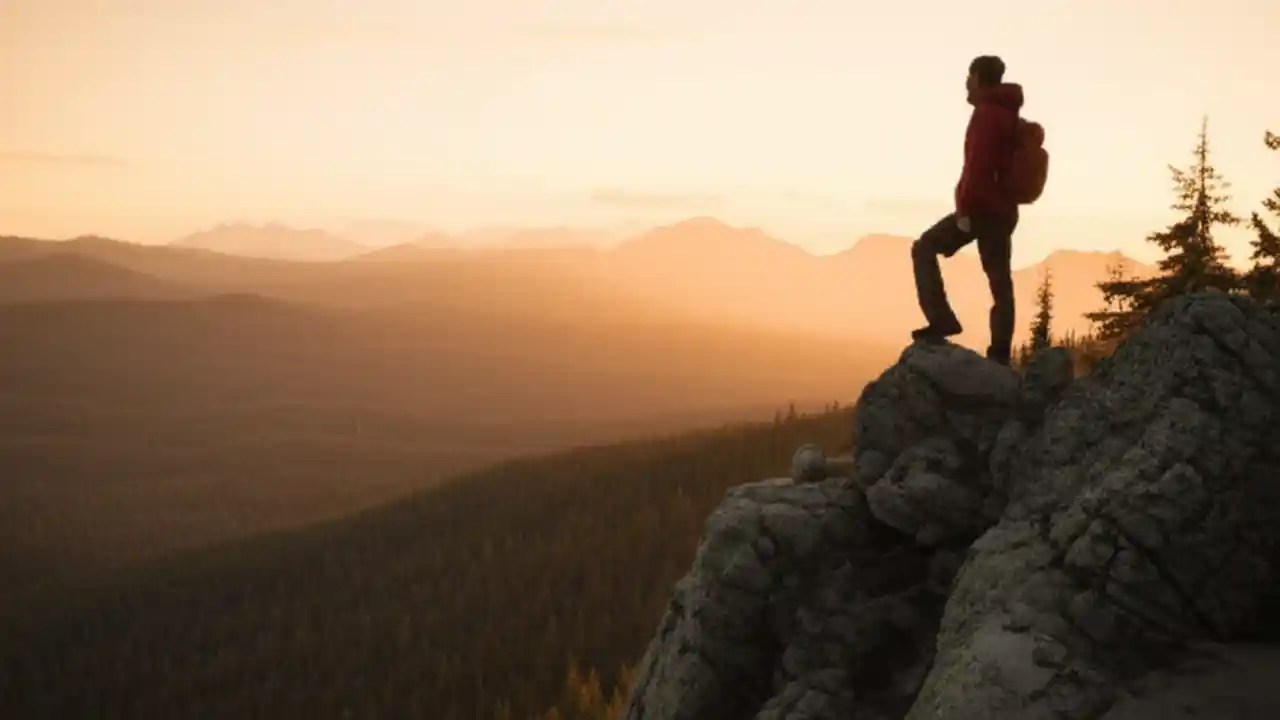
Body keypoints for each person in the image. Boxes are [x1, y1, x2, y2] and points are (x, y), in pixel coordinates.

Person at [911, 55, 1023, 365]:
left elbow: (977, 167)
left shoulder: (986, 115)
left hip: (981, 209)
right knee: (1000, 282)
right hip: (1003, 210)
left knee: (924, 247)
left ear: (978, 78)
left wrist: (963, 212)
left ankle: (942, 319)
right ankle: (999, 354)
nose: (965, 82)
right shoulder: (1007, 114)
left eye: (969, 76)